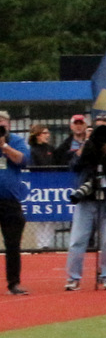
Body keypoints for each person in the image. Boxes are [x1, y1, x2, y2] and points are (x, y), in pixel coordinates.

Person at [64, 124, 106, 291]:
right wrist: (85, 146)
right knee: (77, 240)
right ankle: (73, 277)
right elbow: (74, 166)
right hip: (87, 198)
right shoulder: (86, 146)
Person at [0, 111, 30, 295]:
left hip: (9, 200)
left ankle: (14, 283)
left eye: (2, 122)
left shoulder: (16, 141)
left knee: (13, 244)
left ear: (9, 125)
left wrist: (4, 146)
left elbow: (23, 160)